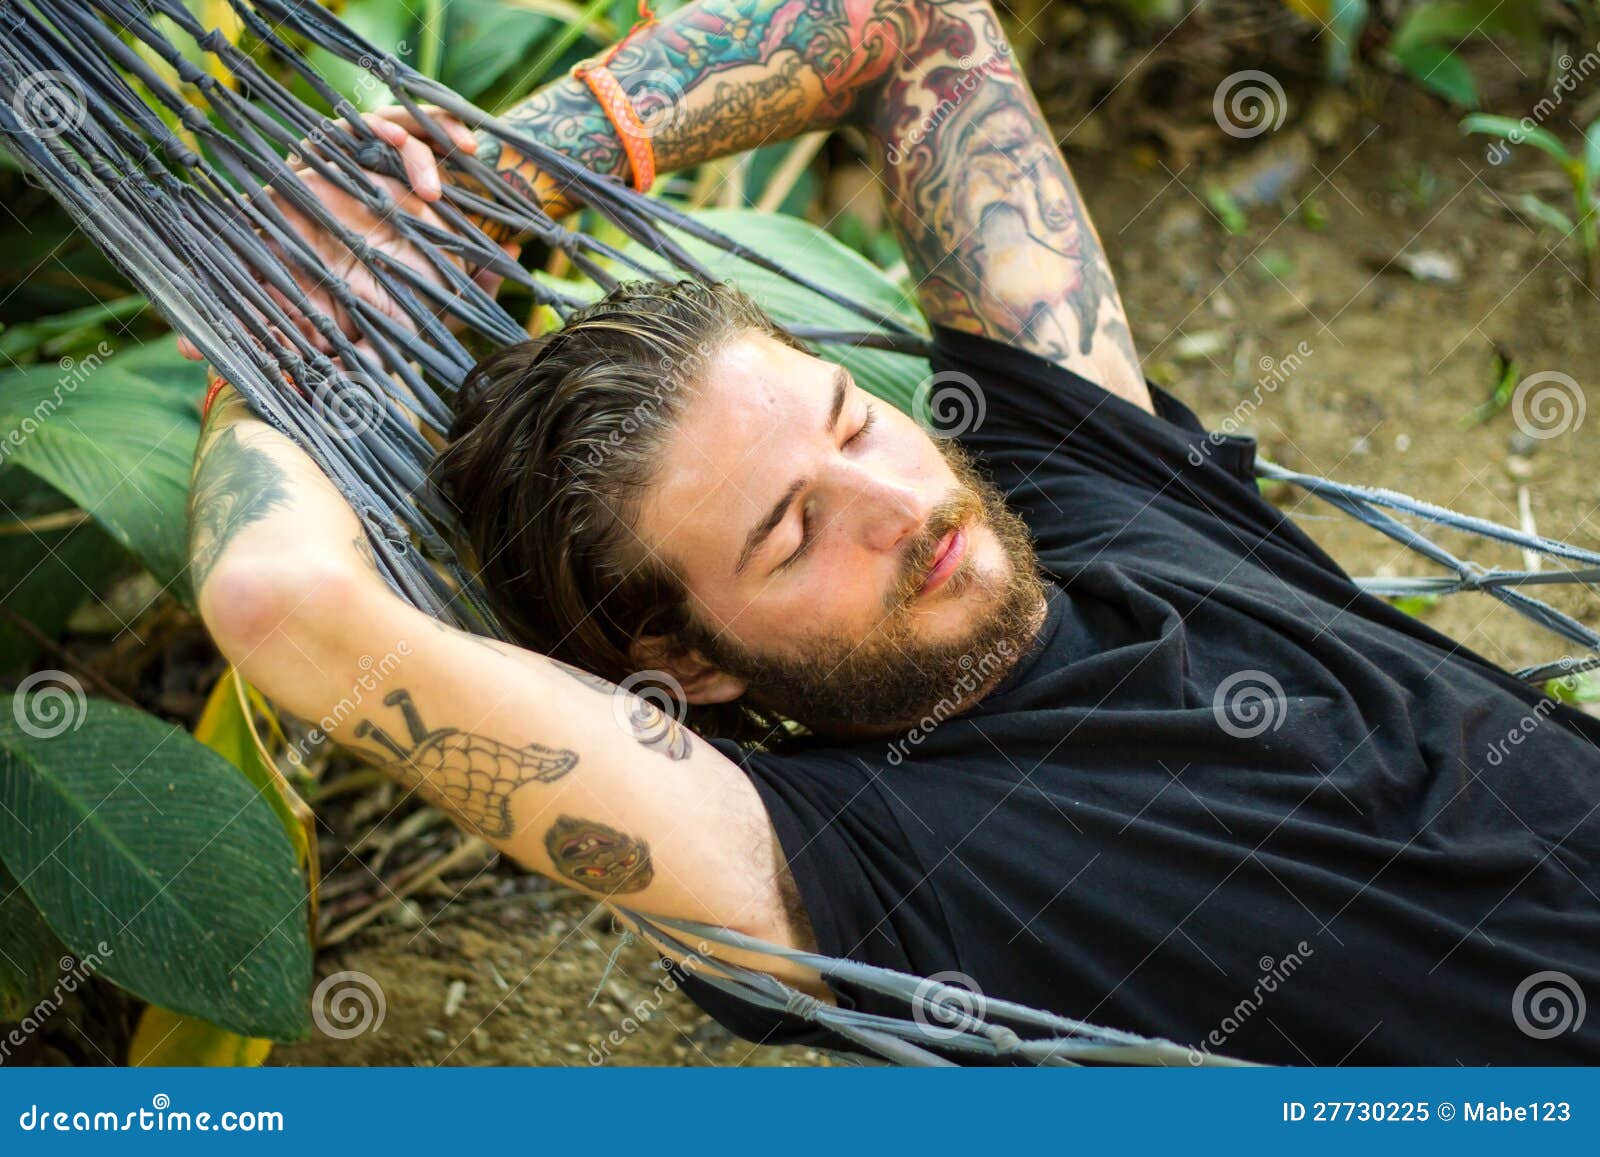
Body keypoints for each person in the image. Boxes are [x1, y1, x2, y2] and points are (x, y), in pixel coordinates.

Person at [188, 0, 1600, 1064]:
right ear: (691, 658)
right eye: (793, 534)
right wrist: (275, 318)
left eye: (853, 424)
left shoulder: (1088, 482)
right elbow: (276, 598)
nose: (900, 505)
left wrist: (502, 171)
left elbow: (919, 26)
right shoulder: (848, 863)